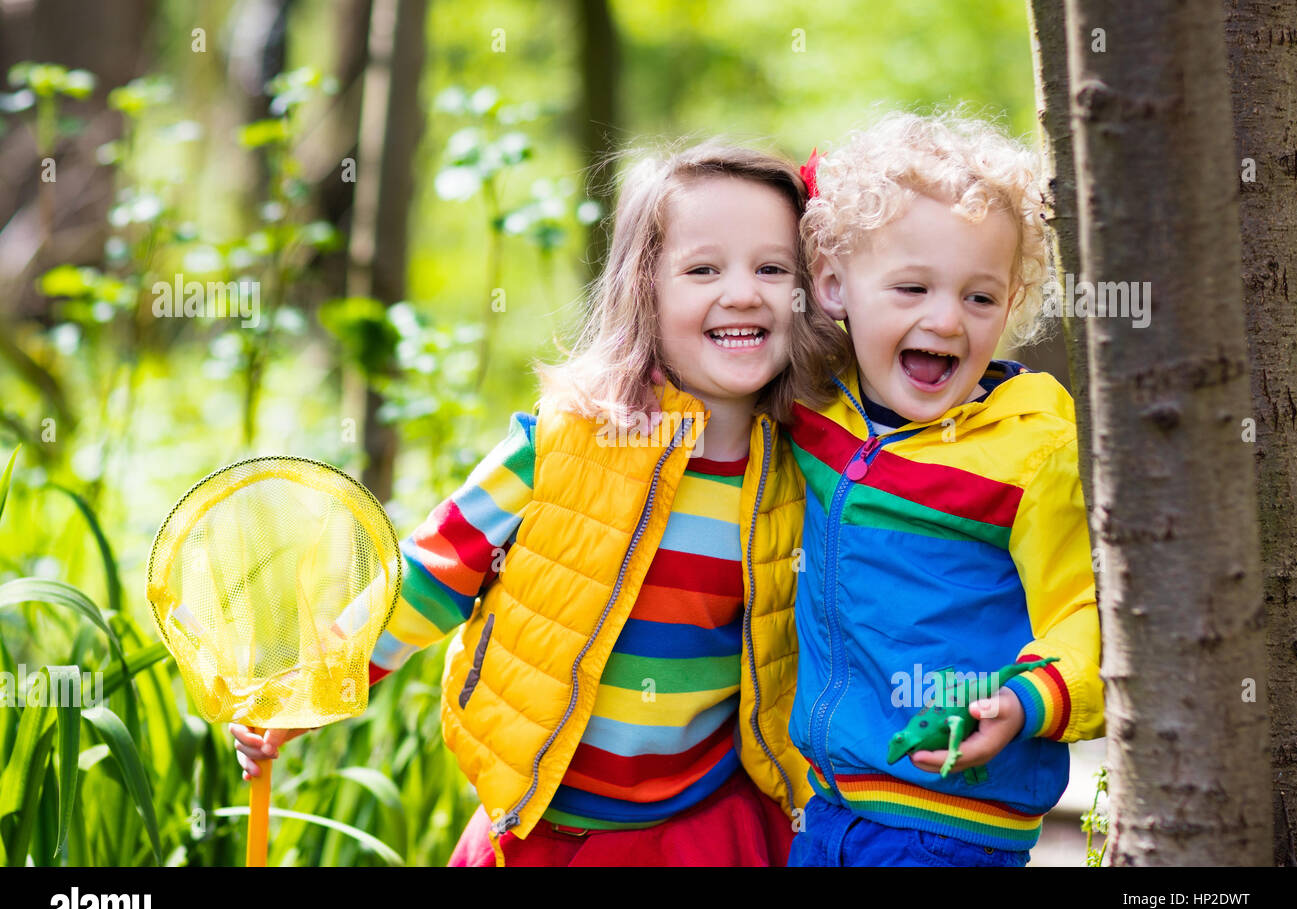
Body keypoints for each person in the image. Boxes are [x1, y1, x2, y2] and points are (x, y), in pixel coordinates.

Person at [232, 142, 850, 866]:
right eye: (704, 269)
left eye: (772, 269)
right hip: (545, 826)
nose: (744, 292)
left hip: (702, 823)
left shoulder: (802, 470)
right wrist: (315, 686)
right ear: (645, 289)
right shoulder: (561, 443)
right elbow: (433, 572)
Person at [783, 111, 1105, 866]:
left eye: (979, 297)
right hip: (827, 807)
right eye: (912, 286)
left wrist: (1025, 702)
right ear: (834, 284)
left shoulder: (1030, 452)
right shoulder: (815, 413)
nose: (945, 319)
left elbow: (1087, 611)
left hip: (951, 823)